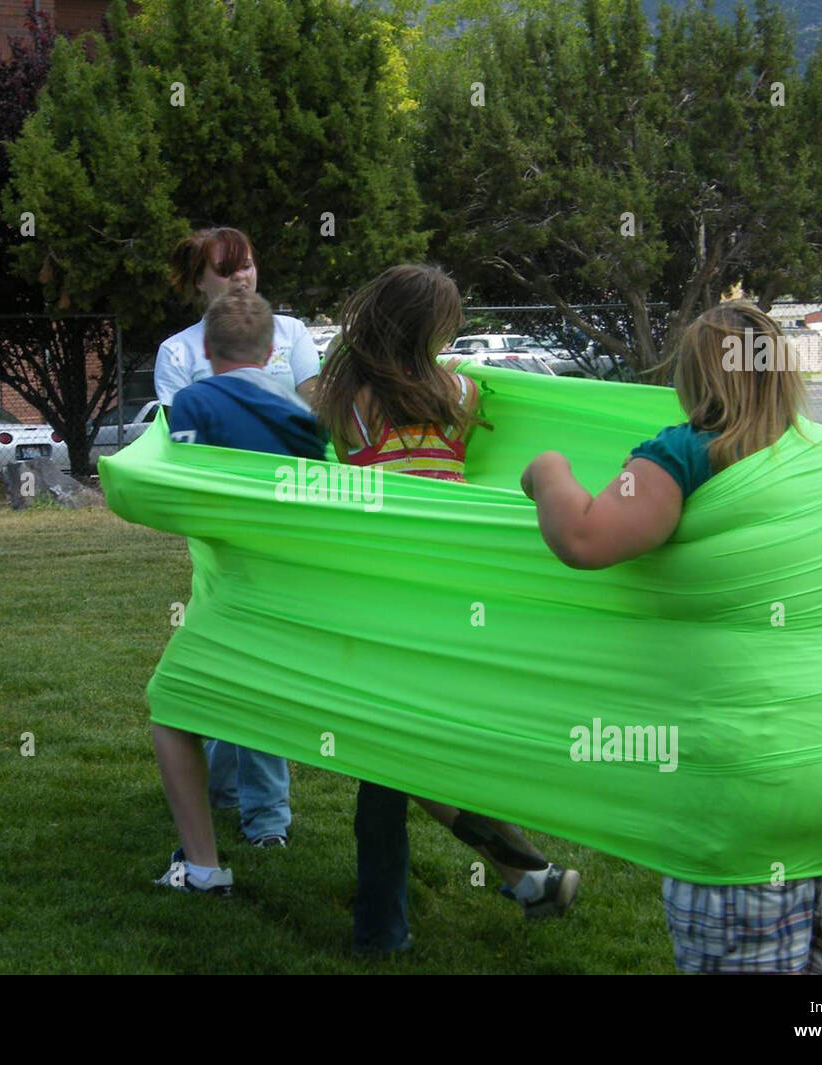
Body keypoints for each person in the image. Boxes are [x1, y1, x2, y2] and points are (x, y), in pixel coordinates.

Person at [520, 299, 822, 974]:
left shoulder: (685, 454)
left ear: (695, 379)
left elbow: (583, 536)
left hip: (754, 789)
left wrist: (546, 469)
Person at [317, 264, 581, 954]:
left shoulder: (347, 402)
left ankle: (386, 929)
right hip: (456, 592)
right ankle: (528, 875)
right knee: (407, 754)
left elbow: (322, 430)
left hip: (382, 598)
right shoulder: (461, 392)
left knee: (388, 764)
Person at [152, 288, 329, 895]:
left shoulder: (196, 401)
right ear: (275, 349)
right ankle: (234, 799)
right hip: (292, 568)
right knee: (241, 680)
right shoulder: (305, 412)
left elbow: (187, 479)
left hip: (234, 569)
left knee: (225, 688)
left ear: (205, 348)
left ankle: (265, 822)